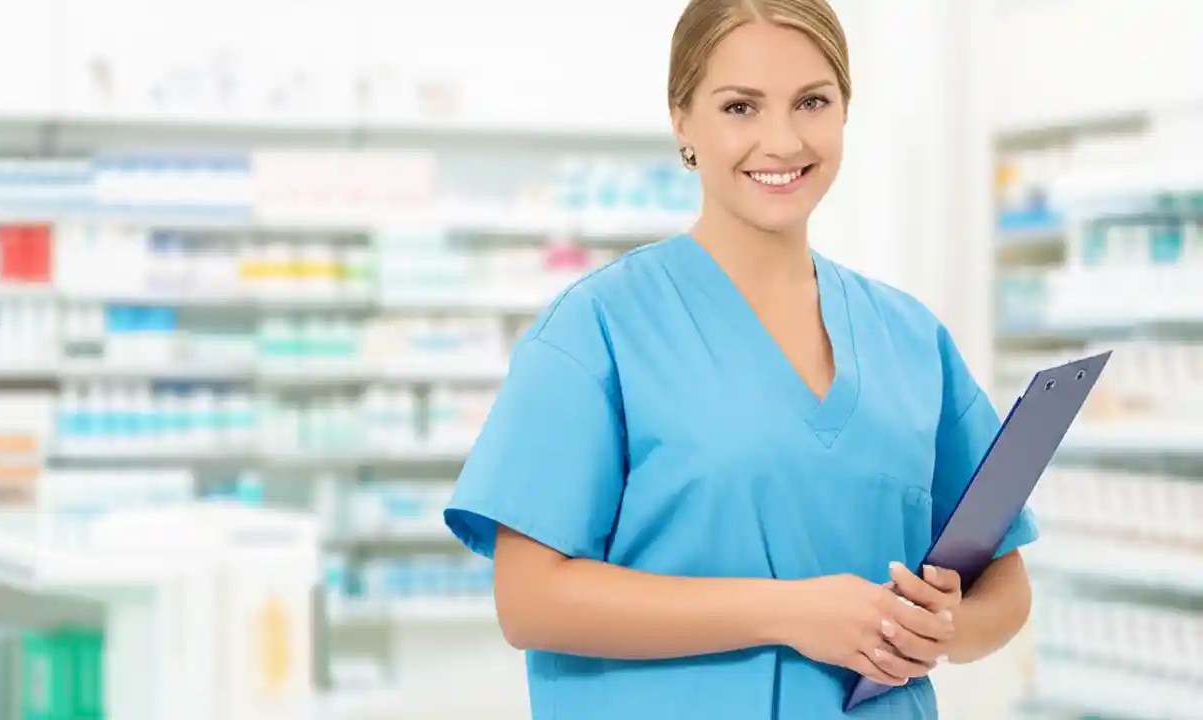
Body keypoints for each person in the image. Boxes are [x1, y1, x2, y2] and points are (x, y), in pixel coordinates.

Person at [442, 0, 1038, 717]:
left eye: (811, 101)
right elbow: (530, 600)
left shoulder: (909, 340)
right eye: (740, 107)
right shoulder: (598, 328)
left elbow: (1004, 583)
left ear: (844, 110)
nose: (781, 140)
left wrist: (944, 627)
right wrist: (789, 613)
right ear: (683, 121)